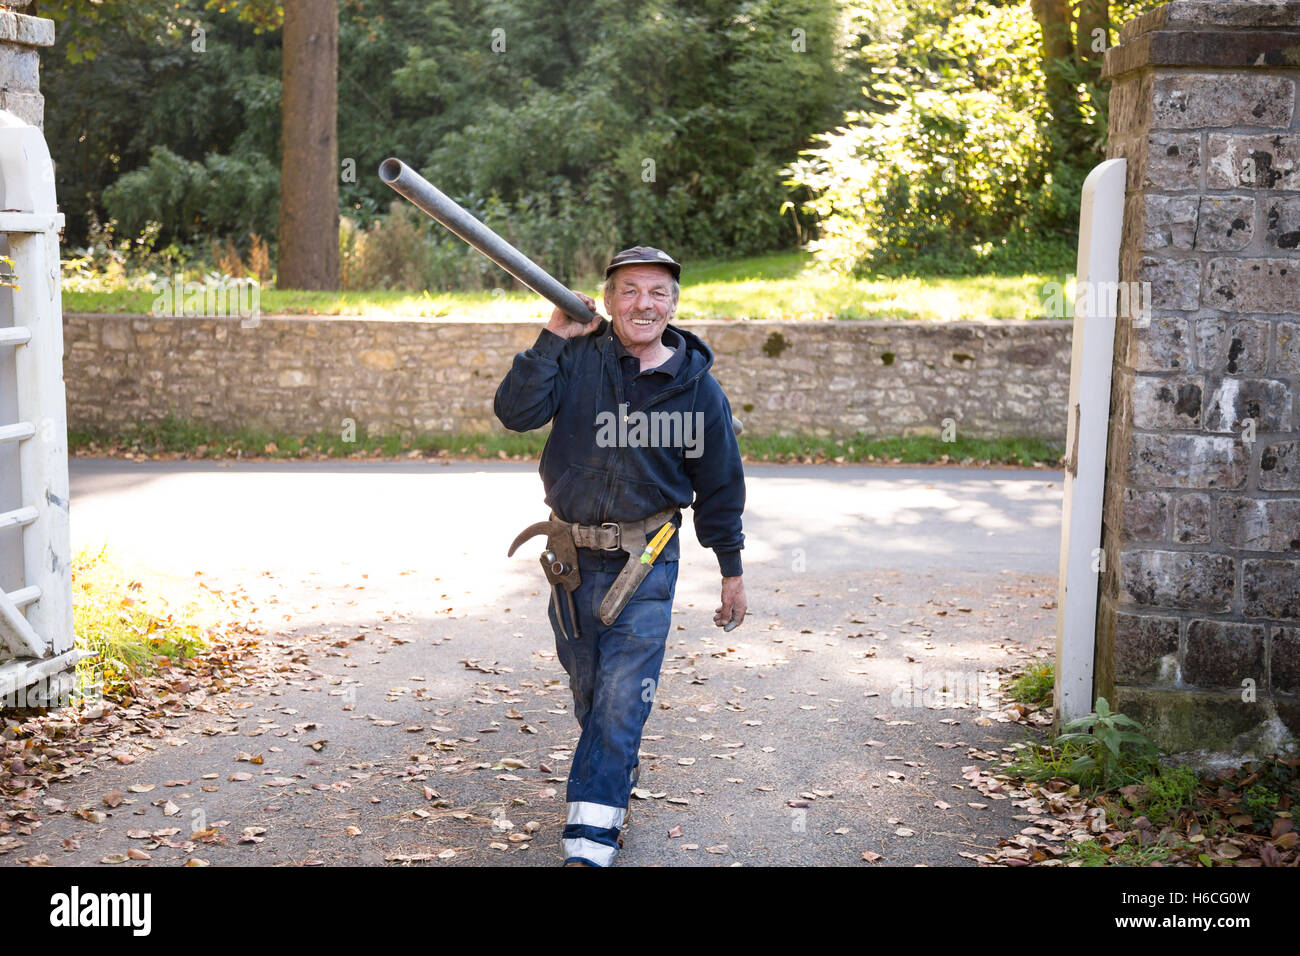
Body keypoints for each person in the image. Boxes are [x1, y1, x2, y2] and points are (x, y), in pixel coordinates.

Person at [494, 245, 747, 867]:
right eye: (629, 290)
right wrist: (554, 335)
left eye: (658, 292)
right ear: (607, 301)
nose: (644, 303)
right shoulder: (576, 359)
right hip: (571, 561)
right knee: (591, 693)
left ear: (673, 305)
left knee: (618, 696)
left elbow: (720, 486)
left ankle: (590, 841)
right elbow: (514, 413)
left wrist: (731, 570)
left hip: (647, 563)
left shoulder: (698, 393)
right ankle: (612, 776)